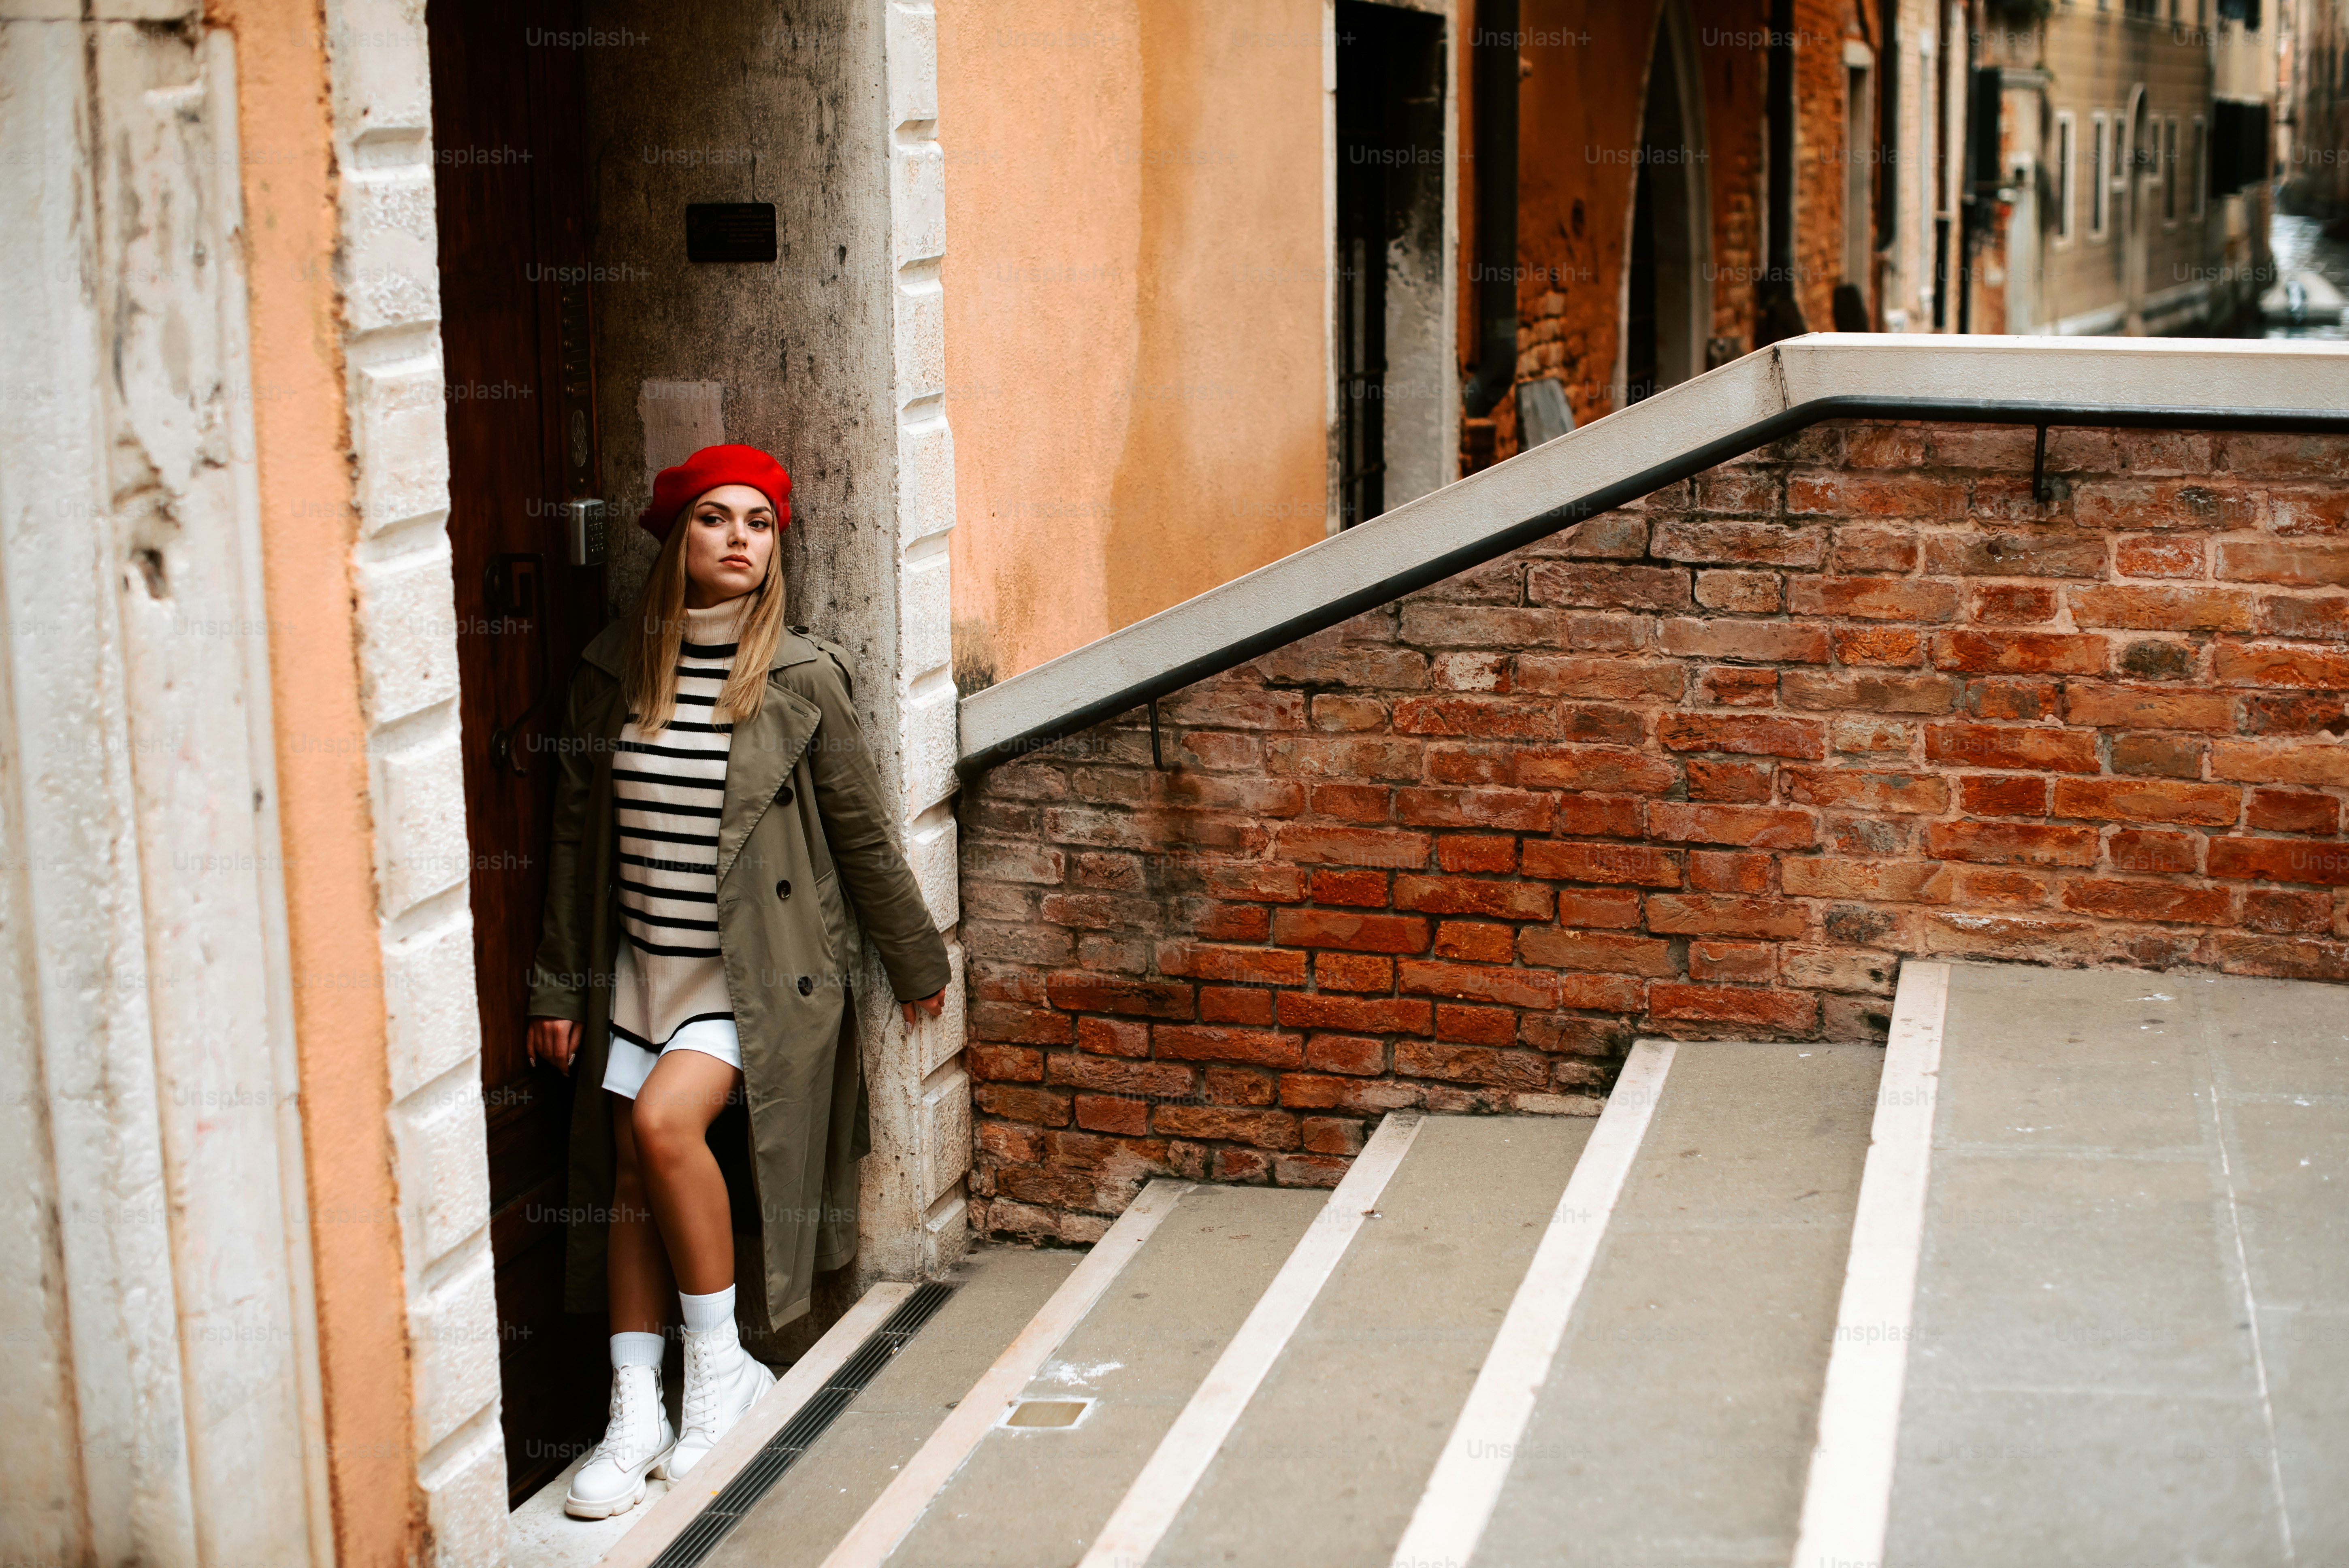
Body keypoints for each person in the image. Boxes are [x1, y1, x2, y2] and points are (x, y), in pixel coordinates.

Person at [523, 443, 949, 1520]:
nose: (740, 542)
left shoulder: (803, 676)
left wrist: (915, 957)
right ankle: (638, 1411)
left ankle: (724, 1374)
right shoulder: (612, 668)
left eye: (759, 524)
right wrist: (554, 992)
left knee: (667, 1130)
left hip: (755, 979)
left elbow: (861, 832)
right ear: (676, 538)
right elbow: (576, 845)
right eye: (716, 520)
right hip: (638, 974)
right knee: (629, 1173)